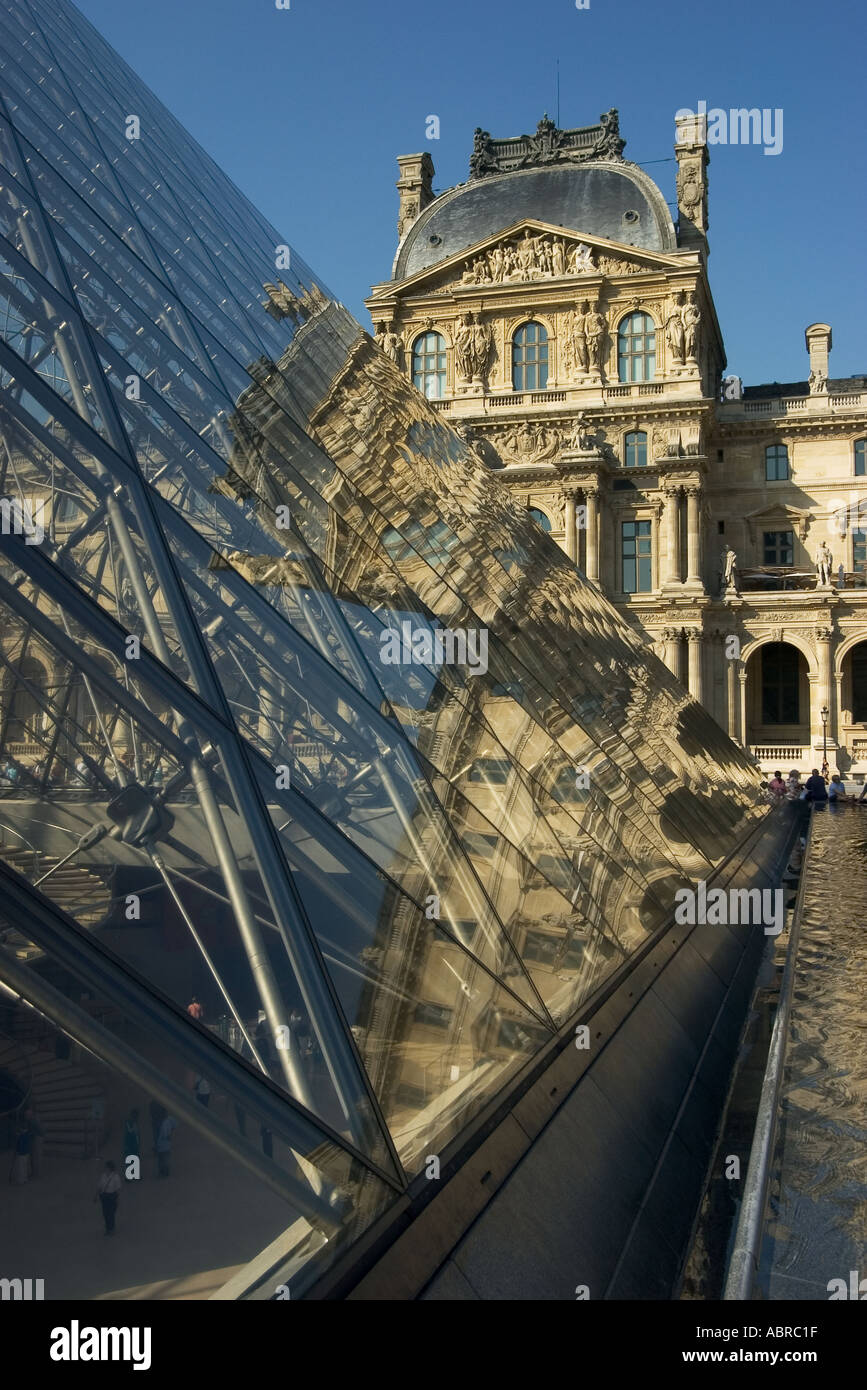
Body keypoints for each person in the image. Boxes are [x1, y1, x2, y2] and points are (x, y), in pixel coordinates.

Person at [96, 1159, 121, 1234]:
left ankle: (111, 1228)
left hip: (112, 1196)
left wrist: (118, 1199)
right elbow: (99, 1186)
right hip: (104, 1196)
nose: (105, 1168)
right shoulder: (103, 1176)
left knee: (111, 1213)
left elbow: (117, 1189)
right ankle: (108, 1228)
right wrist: (96, 1195)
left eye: (106, 1167)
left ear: (110, 1168)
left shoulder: (116, 1177)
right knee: (105, 1213)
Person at [24, 1107, 44, 1178]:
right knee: (33, 1156)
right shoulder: (31, 1120)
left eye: (27, 1115)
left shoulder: (34, 1120)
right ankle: (34, 1173)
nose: (25, 1116)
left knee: (36, 1156)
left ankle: (37, 1174)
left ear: (30, 1114)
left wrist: (27, 1133)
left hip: (37, 1138)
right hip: (35, 1138)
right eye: (25, 1115)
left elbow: (38, 1131)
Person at [122, 1108, 140, 1180]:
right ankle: (129, 1176)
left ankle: (135, 1175)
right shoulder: (129, 1122)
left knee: (135, 1158)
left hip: (135, 1143)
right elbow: (129, 1132)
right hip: (130, 1143)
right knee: (130, 1159)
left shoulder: (134, 1122)